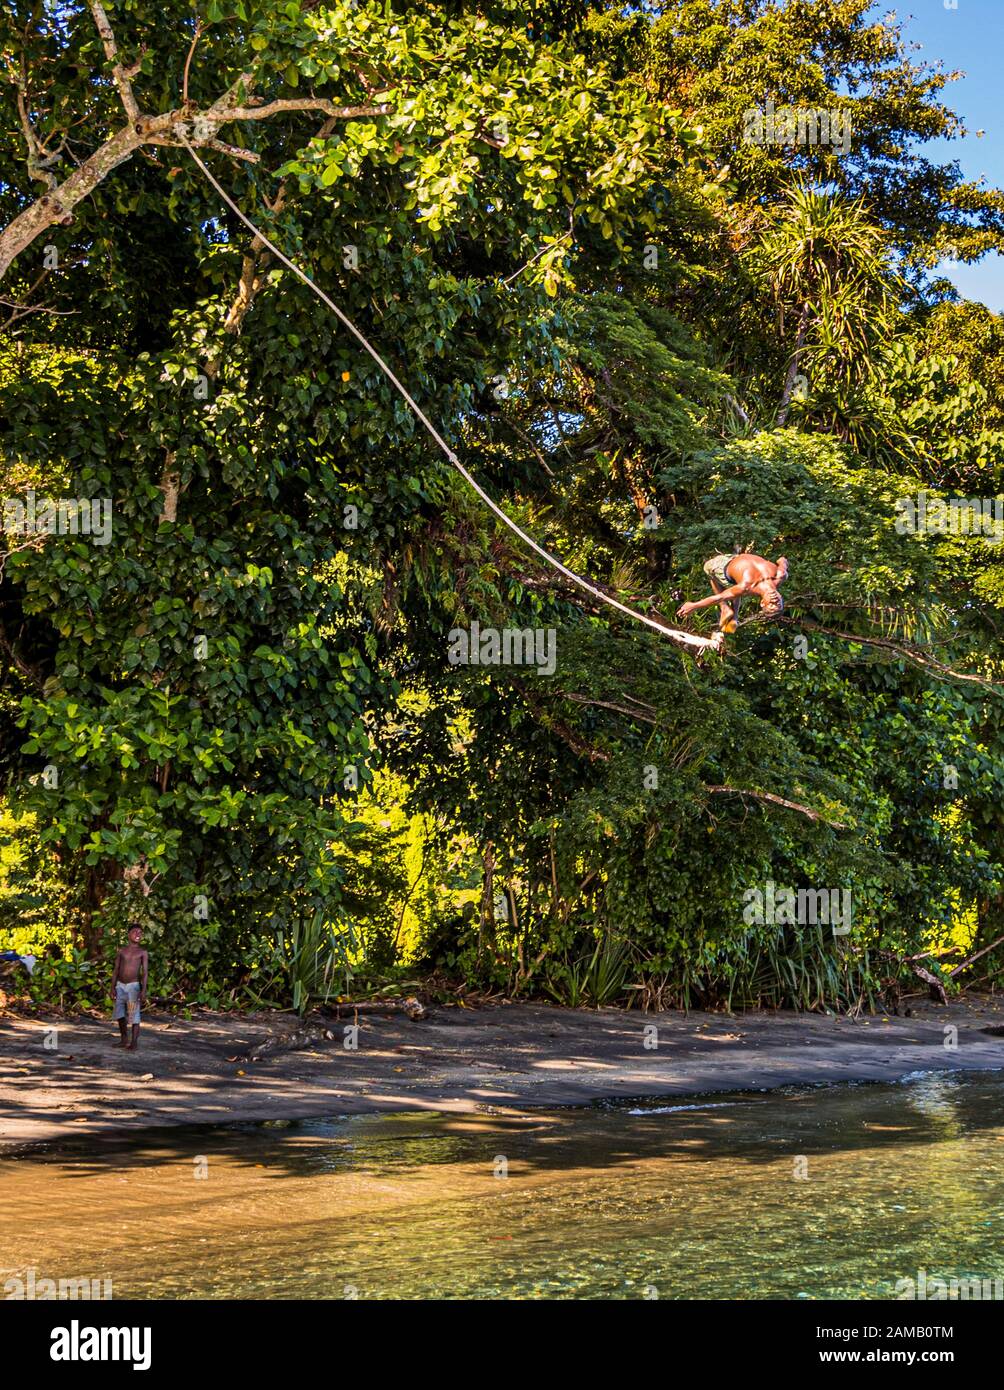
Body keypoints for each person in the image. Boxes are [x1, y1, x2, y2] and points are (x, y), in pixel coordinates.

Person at [677, 553, 788, 633]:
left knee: (708, 569)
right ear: (781, 597)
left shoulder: (746, 587)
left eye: (771, 605)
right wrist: (782, 564)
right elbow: (782, 559)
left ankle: (725, 608)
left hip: (723, 568)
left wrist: (694, 605)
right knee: (736, 590)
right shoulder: (781, 575)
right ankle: (734, 616)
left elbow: (719, 597)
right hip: (735, 558)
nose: (775, 601)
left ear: (763, 603)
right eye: (778, 604)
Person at [111, 925, 148, 1051]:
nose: (138, 934)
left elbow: (145, 972)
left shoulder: (142, 952)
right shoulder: (122, 951)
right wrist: (112, 988)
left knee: (133, 1015)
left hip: (133, 987)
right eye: (135, 932)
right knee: (120, 1014)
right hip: (120, 986)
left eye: (140, 932)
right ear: (128, 934)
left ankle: (134, 1042)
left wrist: (143, 991)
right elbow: (116, 970)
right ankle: (123, 1039)